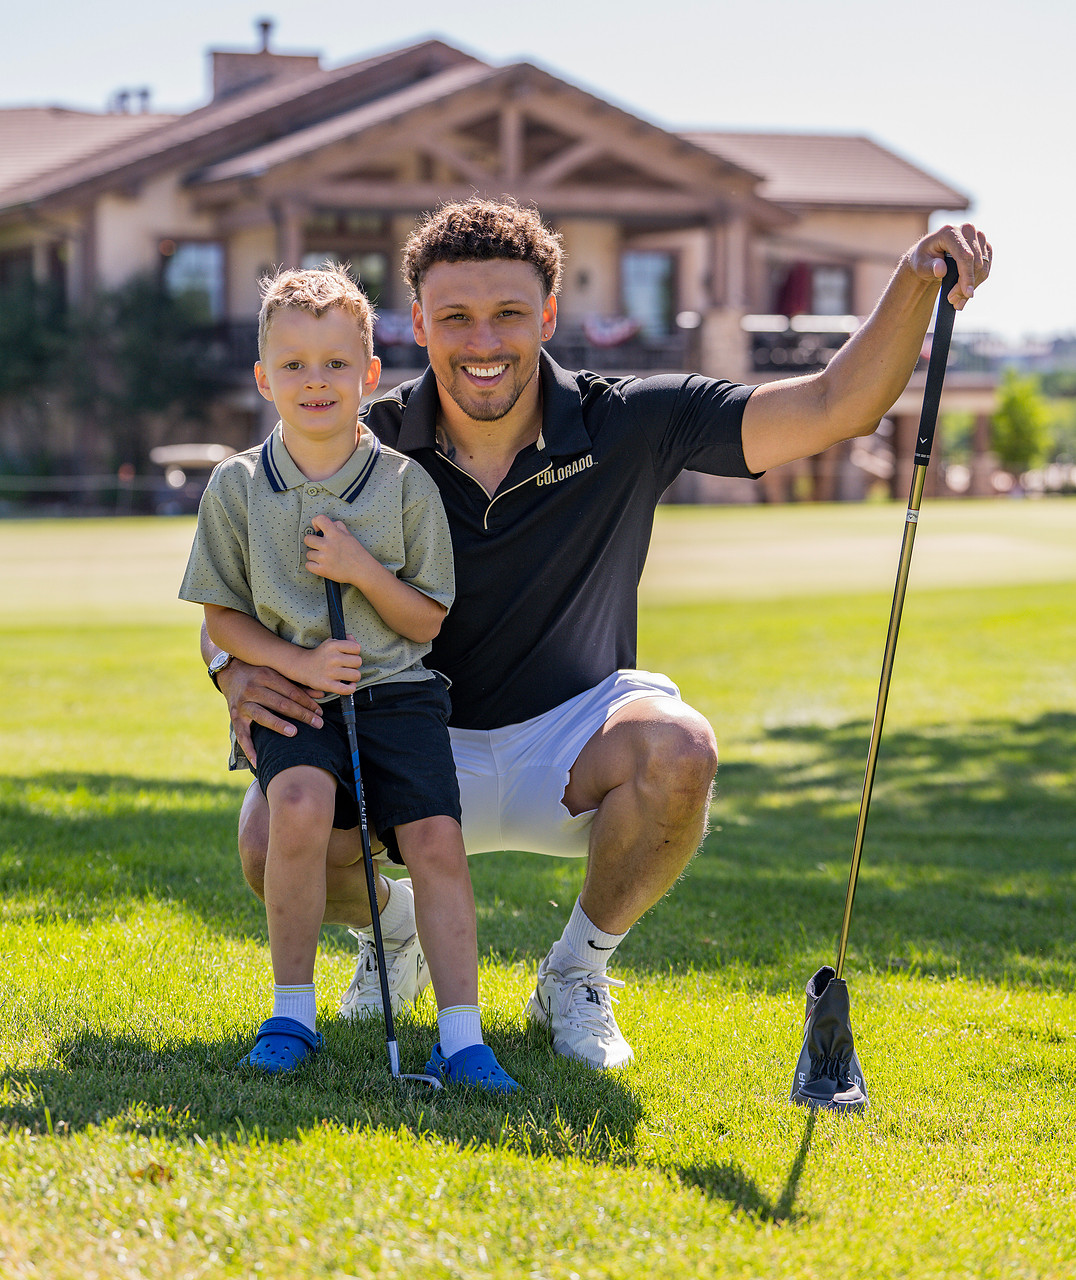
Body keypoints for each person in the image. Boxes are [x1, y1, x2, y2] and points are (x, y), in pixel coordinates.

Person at [203, 200, 992, 1071]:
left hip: (573, 734)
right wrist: (228, 671)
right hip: (409, 735)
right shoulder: (362, 439)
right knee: (268, 836)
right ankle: (397, 933)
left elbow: (836, 404)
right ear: (418, 322)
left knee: (680, 748)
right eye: (455, 317)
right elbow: (237, 568)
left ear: (548, 314)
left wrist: (914, 282)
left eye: (509, 313)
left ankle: (574, 974)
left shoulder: (630, 419)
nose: (483, 341)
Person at [182, 262, 518, 1091]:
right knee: (296, 806)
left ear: (369, 374)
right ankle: (292, 1015)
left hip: (398, 692)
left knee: (437, 841)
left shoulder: (404, 485)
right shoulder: (235, 487)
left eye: (336, 363)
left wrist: (362, 568)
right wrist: (293, 661)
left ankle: (463, 1036)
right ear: (264, 378)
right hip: (295, 695)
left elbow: (426, 619)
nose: (315, 381)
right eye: (293, 365)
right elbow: (220, 618)